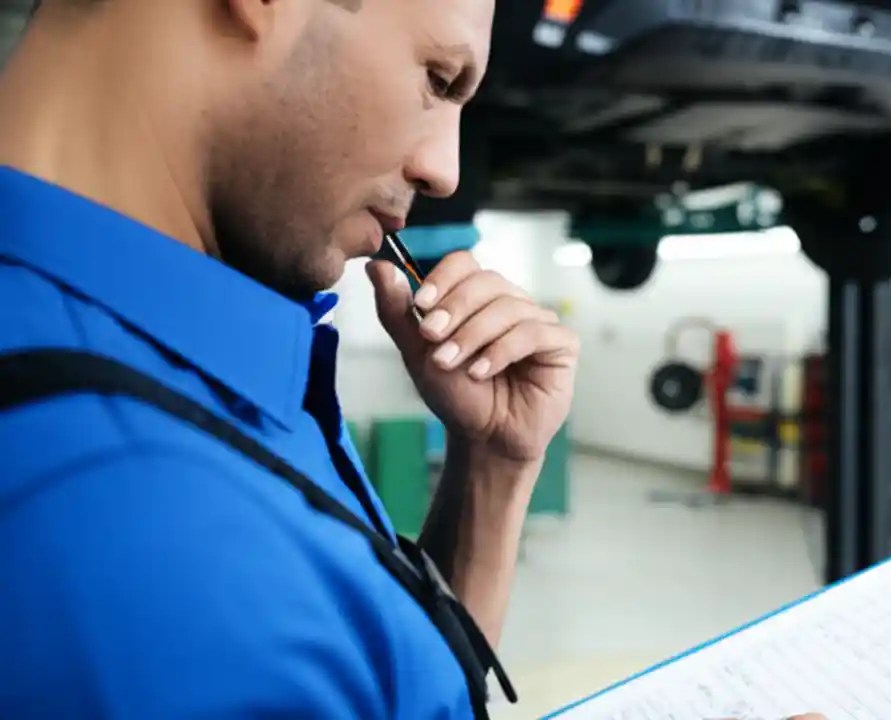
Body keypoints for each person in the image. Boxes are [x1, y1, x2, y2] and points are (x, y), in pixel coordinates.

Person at [0, 1, 825, 718]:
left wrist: (494, 468)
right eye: (439, 77)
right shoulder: (140, 536)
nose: (444, 169)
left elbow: (401, 675)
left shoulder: (170, 347)